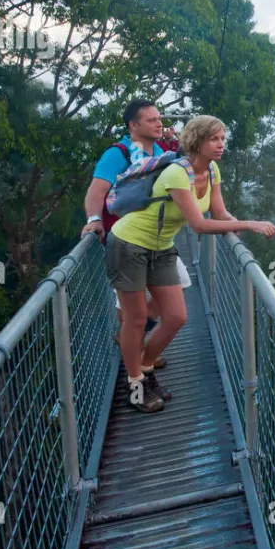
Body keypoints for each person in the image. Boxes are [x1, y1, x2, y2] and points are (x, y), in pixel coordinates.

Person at [105, 114, 275, 413]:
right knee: (135, 318)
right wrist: (250, 224)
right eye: (214, 139)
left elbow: (219, 212)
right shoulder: (177, 174)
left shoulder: (212, 171)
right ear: (197, 141)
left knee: (175, 317)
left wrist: (240, 228)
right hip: (129, 244)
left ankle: (145, 369)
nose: (221, 144)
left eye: (223, 138)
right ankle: (134, 385)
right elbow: (198, 225)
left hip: (161, 246)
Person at [81, 99, 187, 369]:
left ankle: (131, 338)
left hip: (158, 237)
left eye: (158, 118)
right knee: (133, 308)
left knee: (176, 289)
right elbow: (96, 190)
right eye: (151, 120)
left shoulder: (159, 148)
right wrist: (94, 219)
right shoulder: (118, 153)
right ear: (133, 125)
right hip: (126, 239)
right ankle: (136, 356)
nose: (159, 123)